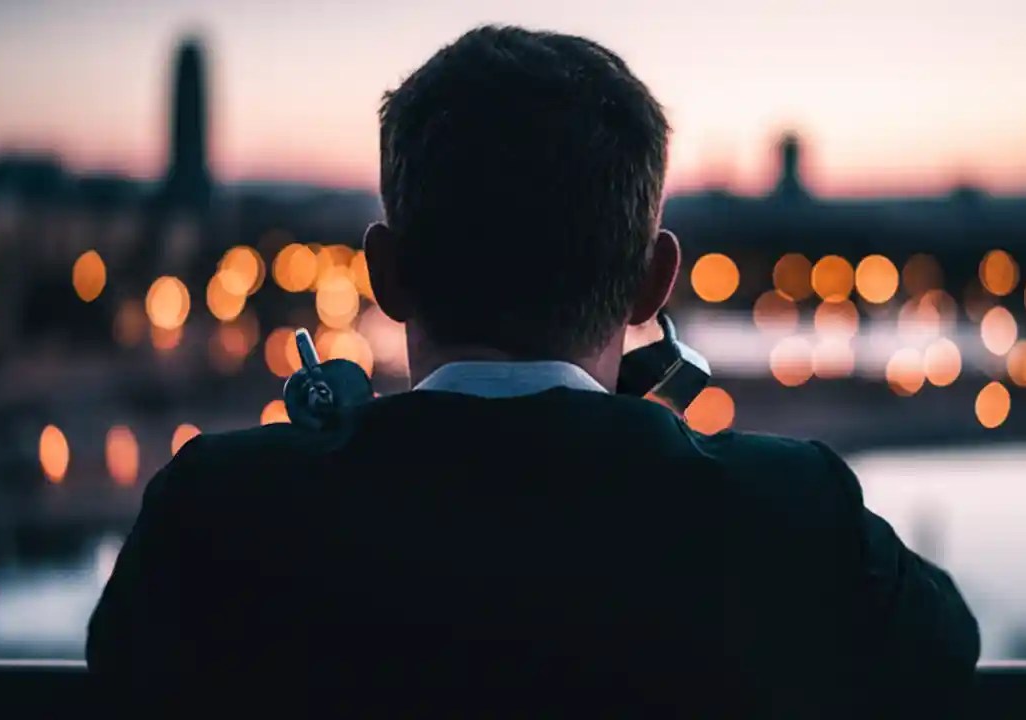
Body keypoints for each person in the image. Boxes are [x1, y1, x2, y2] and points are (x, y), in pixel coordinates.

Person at [87, 25, 979, 716]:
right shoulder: (793, 512)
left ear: (385, 275)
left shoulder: (218, 508)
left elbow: (125, 670)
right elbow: (946, 643)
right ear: (654, 283)